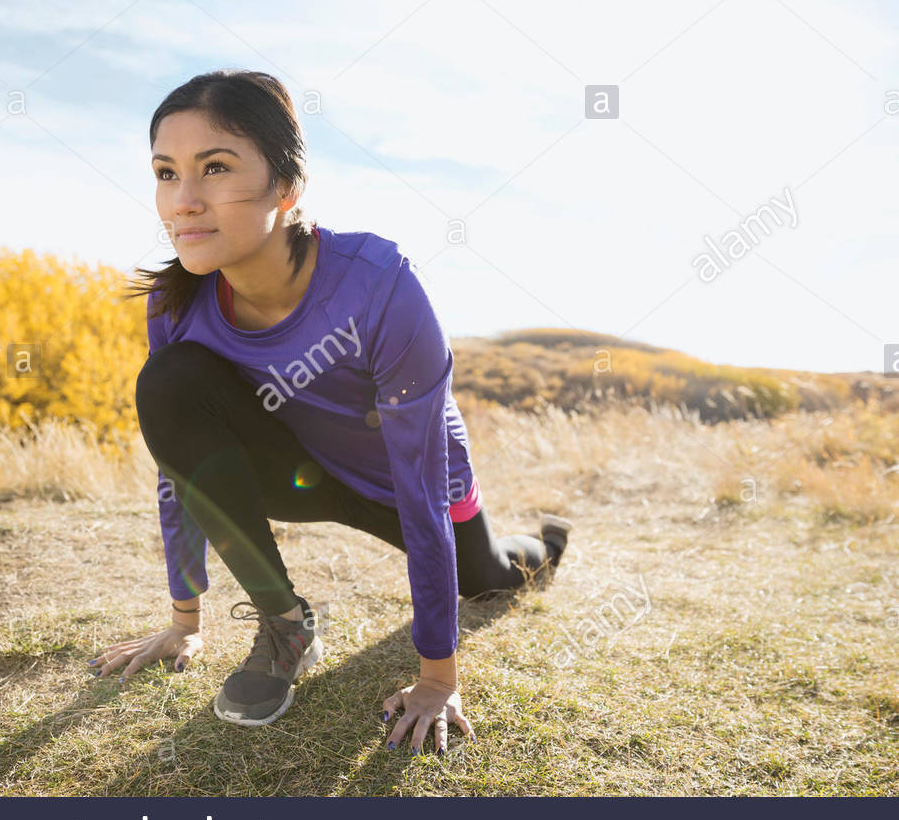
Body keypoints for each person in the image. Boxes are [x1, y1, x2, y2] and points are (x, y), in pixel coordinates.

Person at [90, 69, 572, 757]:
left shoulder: (379, 284)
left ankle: (546, 544)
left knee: (487, 576)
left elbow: (422, 490)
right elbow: (180, 465)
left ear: (288, 187)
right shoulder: (176, 304)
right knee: (167, 381)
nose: (184, 201)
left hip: (406, 483)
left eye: (215, 168)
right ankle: (287, 626)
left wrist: (437, 678)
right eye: (167, 173)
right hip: (300, 474)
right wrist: (184, 619)